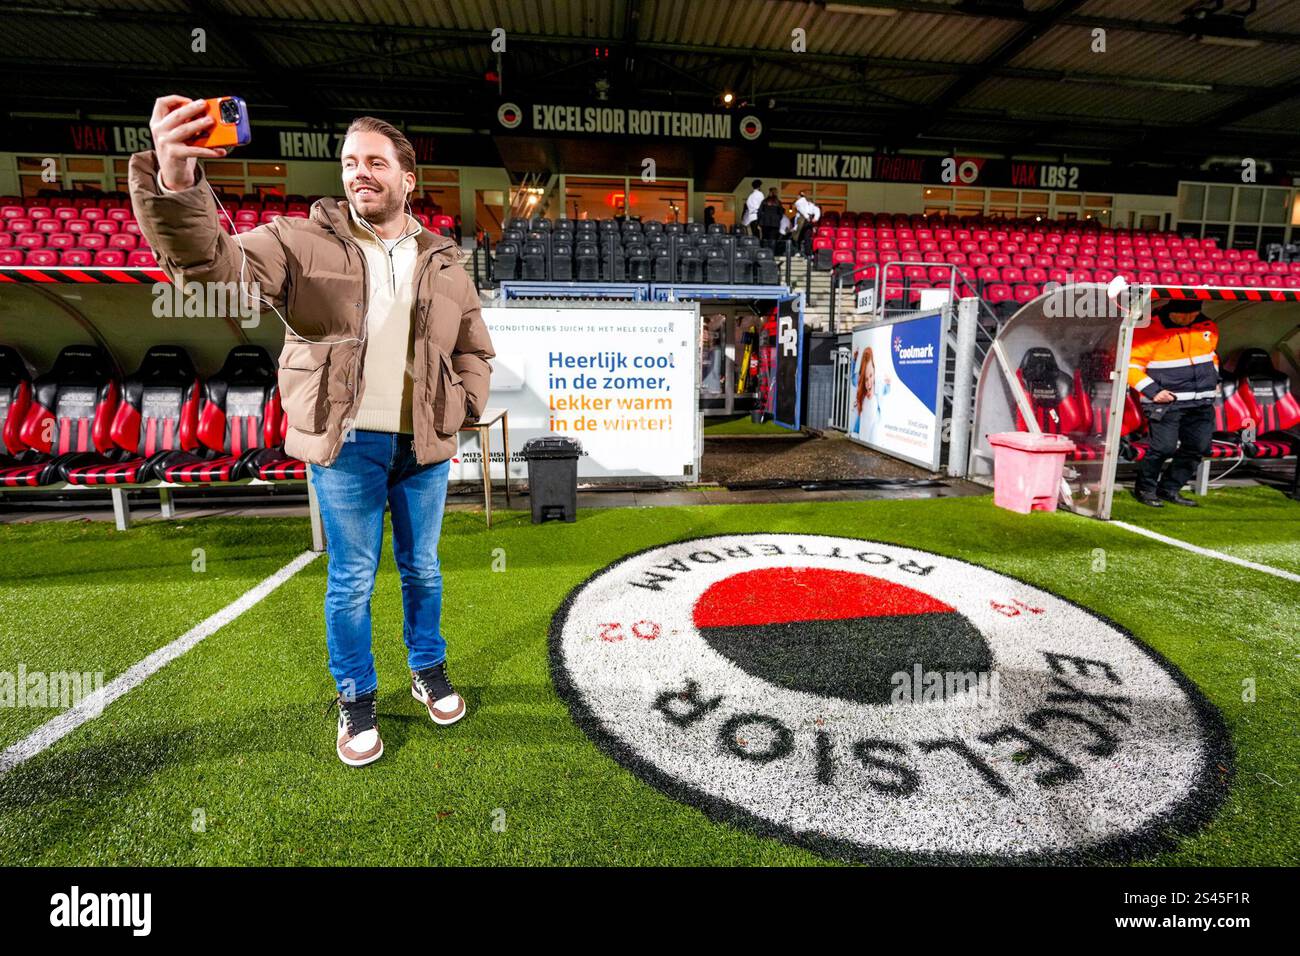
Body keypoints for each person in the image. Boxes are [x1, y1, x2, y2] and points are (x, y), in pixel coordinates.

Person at [130, 97, 495, 767]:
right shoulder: (298, 241)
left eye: (376, 162)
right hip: (347, 445)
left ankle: (428, 669)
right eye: (350, 162)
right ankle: (357, 700)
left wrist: (464, 402)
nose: (360, 173)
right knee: (352, 580)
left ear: (408, 178)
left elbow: (473, 344)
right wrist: (176, 182)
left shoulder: (444, 259)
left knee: (424, 570)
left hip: (424, 445)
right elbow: (214, 268)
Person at [1127, 300, 1235, 507]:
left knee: (1199, 447)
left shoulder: (1207, 325)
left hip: (1201, 401)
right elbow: (1131, 365)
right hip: (1166, 402)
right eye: (1182, 315)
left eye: (1193, 314)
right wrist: (1153, 392)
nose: (1187, 319)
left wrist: (1215, 380)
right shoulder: (1149, 327)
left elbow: (1211, 357)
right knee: (1163, 448)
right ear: (1170, 310)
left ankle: (1170, 489)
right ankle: (1145, 489)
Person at [793, 191, 821, 255]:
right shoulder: (810, 203)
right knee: (805, 237)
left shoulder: (800, 202)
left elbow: (802, 210)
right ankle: (806, 253)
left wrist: (807, 217)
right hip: (807, 219)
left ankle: (799, 251)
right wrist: (815, 218)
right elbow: (817, 210)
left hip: (804, 218)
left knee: (799, 236)